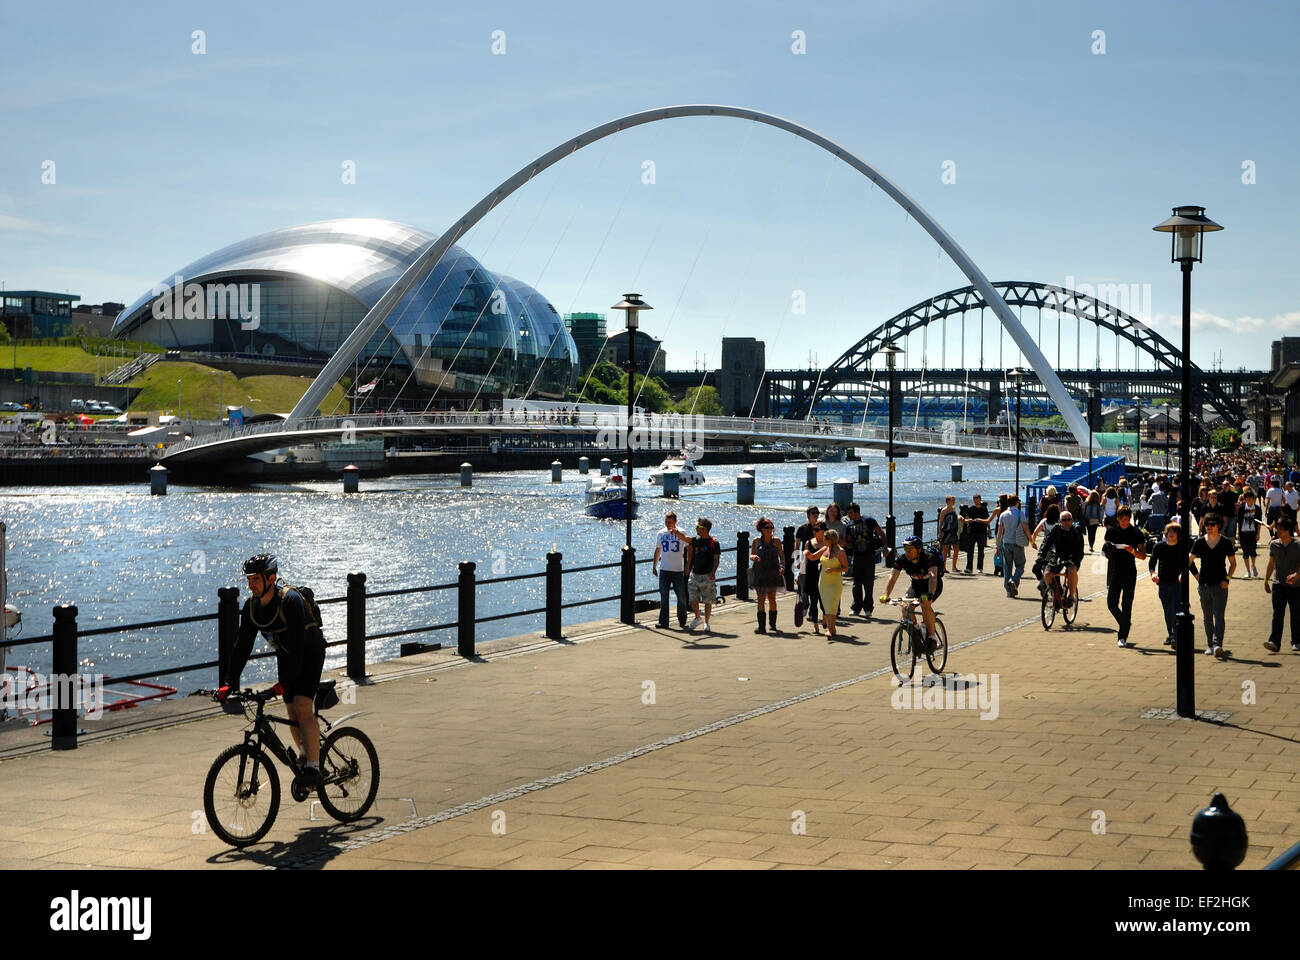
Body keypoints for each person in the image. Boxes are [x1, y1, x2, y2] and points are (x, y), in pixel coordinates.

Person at [221, 554, 326, 785]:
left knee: (301, 705)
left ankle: (314, 768)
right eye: (249, 579)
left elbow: (299, 646)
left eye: (256, 579)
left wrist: (285, 682)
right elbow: (242, 647)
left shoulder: (290, 601)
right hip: (286, 655)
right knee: (289, 709)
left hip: (309, 652)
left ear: (271, 578)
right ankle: (303, 754)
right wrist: (228, 682)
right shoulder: (251, 608)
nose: (251, 584)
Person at [880, 535, 943, 651]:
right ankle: (916, 633)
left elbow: (933, 577)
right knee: (905, 608)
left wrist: (930, 594)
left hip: (932, 586)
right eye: (905, 549)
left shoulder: (928, 558)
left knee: (925, 604)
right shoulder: (903, 560)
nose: (907, 552)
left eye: (910, 549)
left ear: (919, 550)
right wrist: (886, 595)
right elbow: (892, 578)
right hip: (916, 586)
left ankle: (932, 638)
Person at [1189, 512, 1235, 659]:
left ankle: (1217, 645)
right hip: (1204, 585)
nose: (1209, 527)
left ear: (1218, 526)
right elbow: (1189, 562)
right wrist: (1197, 577)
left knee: (1219, 615)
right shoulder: (1200, 542)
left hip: (1220, 586)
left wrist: (1227, 579)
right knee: (1207, 616)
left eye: (1212, 525)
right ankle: (1210, 644)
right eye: (1206, 524)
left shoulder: (1226, 542)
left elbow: (1233, 564)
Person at [1104, 506, 1147, 648]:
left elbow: (1143, 556)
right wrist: (1108, 548)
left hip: (1129, 571)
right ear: (1118, 519)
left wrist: (1132, 551)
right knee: (1111, 603)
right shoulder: (1111, 532)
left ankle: (1122, 636)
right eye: (1122, 520)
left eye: (1127, 520)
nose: (1124, 522)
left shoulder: (1136, 533)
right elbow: (1105, 550)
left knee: (1126, 604)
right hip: (1114, 570)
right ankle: (1125, 623)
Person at [1264, 516, 1300, 653]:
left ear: (1288, 530)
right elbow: (1271, 563)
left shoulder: (1298, 545)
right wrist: (1266, 580)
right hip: (1278, 584)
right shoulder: (1274, 544)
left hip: (1296, 586)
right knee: (1277, 614)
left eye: (1280, 529)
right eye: (1277, 528)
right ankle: (1274, 642)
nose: (1278, 531)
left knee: (1296, 614)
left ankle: (1296, 641)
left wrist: (1297, 575)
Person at [1148, 522, 1187, 648]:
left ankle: (1175, 636)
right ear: (1166, 533)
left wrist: (1183, 574)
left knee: (1176, 609)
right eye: (1169, 531)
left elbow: (1187, 564)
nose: (1171, 534)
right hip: (1163, 583)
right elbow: (1152, 562)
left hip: (1177, 583)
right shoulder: (1159, 547)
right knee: (1167, 611)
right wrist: (1153, 573)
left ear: (1177, 534)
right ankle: (1171, 635)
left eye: (1174, 531)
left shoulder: (1182, 547)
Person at [651, 512, 692, 630]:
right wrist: (654, 566)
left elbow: (689, 548)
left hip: (678, 570)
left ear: (675, 521)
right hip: (664, 569)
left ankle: (682, 619)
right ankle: (663, 622)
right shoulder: (661, 533)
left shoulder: (681, 533)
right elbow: (658, 550)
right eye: (666, 522)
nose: (668, 524)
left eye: (670, 522)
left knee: (681, 597)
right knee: (664, 597)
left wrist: (687, 565)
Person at [844, 502, 885, 617]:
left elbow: (881, 533)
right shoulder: (849, 526)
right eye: (848, 513)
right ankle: (856, 607)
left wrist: (885, 547)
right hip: (857, 556)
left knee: (868, 582)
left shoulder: (869, 520)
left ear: (857, 512)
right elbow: (849, 543)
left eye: (851, 513)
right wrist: (843, 544)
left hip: (869, 555)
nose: (849, 515)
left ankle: (868, 608)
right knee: (856, 583)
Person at [808, 529, 849, 636]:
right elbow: (813, 557)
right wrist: (806, 553)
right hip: (823, 582)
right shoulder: (824, 549)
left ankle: (830, 629)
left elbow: (845, 568)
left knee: (832, 605)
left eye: (825, 539)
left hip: (835, 583)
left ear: (831, 540)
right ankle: (832, 629)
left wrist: (834, 570)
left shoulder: (841, 552)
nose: (823, 540)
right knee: (827, 606)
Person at [685, 517, 721, 633]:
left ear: (704, 529)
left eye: (698, 527)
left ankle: (706, 622)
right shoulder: (695, 540)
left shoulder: (714, 543)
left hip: (707, 575)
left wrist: (713, 572)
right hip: (695, 574)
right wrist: (675, 532)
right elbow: (686, 541)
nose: (696, 528)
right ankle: (697, 617)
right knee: (692, 598)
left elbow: (716, 559)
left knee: (708, 600)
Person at [1041, 511, 1084, 607]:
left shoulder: (1076, 530)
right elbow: (1047, 544)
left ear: (1072, 520)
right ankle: (1055, 593)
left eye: (1069, 520)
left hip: (1073, 556)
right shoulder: (1056, 529)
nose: (1066, 522)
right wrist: (1042, 557)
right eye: (1064, 520)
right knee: (1047, 574)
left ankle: (1071, 596)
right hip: (1058, 556)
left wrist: (1075, 561)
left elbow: (1080, 549)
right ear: (1060, 521)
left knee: (1071, 570)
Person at [750, 517, 785, 634]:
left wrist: (782, 566)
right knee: (760, 598)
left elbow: (782, 556)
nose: (769, 530)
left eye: (771, 527)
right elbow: (751, 555)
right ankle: (761, 627)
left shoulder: (776, 541)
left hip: (773, 573)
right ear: (761, 529)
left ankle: (773, 624)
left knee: (772, 598)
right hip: (760, 573)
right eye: (766, 528)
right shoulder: (756, 541)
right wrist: (753, 557)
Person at [996, 494, 1033, 598]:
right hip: (1017, 543)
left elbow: (999, 532)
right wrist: (1031, 541)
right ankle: (1013, 581)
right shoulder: (1020, 513)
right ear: (1017, 503)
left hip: (1006, 543)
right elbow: (1026, 528)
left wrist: (997, 546)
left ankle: (1009, 591)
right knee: (1020, 565)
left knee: (1007, 567)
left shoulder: (1003, 514)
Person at [801, 523, 827, 633]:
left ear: (823, 531)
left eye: (817, 529)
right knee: (813, 600)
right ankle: (815, 624)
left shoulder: (827, 543)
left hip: (823, 574)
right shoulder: (809, 542)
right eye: (813, 529)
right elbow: (804, 560)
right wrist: (800, 574)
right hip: (811, 574)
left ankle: (825, 617)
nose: (814, 531)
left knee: (824, 602)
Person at [1237, 488, 1263, 579]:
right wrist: (1237, 532)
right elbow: (1238, 522)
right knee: (1245, 553)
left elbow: (1259, 522)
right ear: (1245, 499)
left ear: (1254, 499)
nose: (1249, 500)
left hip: (1253, 533)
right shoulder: (1241, 508)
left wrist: (1258, 534)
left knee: (1253, 552)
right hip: (1243, 533)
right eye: (1247, 498)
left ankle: (1253, 566)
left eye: (1251, 498)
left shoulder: (1257, 509)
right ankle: (1248, 571)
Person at [963, 493, 990, 574]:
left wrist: (989, 529)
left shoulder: (984, 509)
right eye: (974, 499)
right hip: (972, 532)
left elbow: (987, 520)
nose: (975, 500)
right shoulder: (970, 509)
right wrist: (969, 520)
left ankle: (980, 567)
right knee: (970, 551)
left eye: (976, 499)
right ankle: (969, 568)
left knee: (981, 551)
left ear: (980, 499)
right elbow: (965, 520)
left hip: (982, 532)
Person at [939, 495, 960, 572]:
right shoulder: (944, 510)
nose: (954, 501)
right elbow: (940, 522)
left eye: (954, 500)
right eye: (952, 500)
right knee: (945, 549)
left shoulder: (953, 509)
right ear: (948, 501)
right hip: (946, 532)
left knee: (956, 548)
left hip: (954, 531)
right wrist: (940, 533)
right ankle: (943, 567)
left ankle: (954, 567)